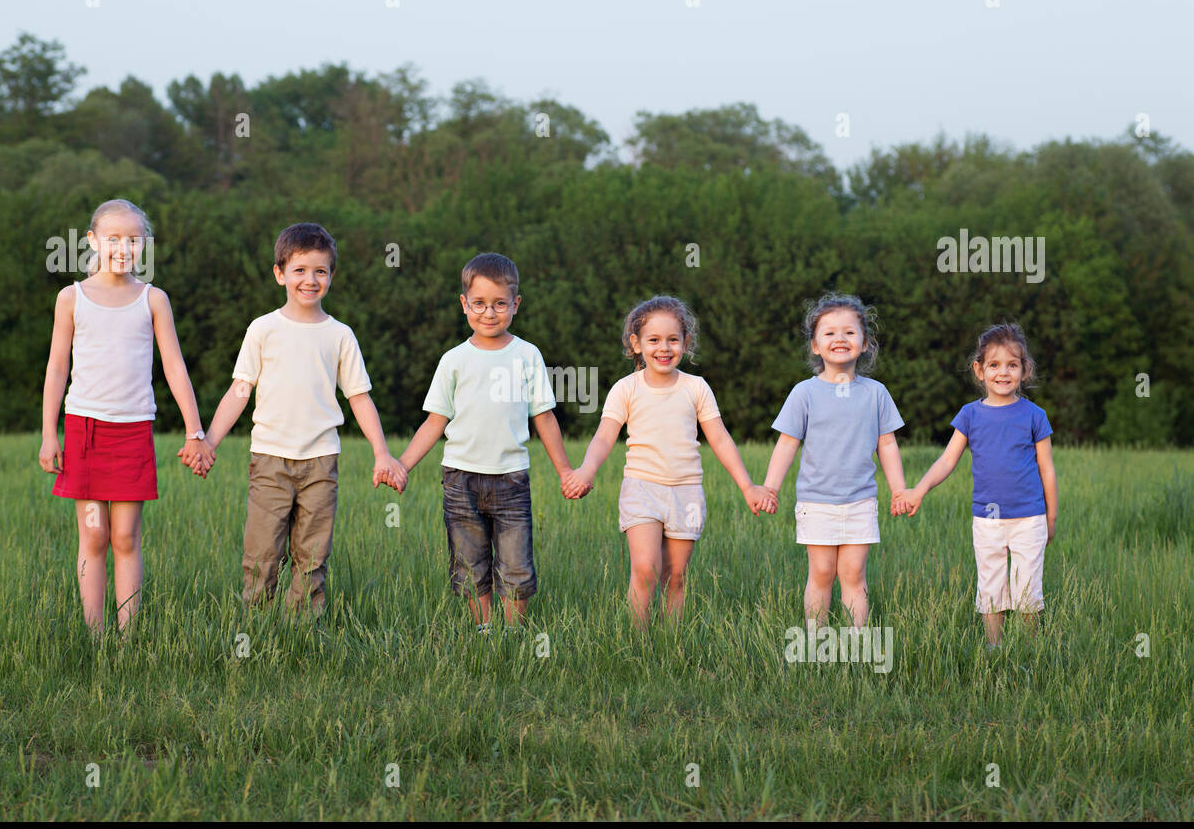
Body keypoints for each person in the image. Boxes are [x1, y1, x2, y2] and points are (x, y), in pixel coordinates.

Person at [193, 222, 406, 614]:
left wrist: (382, 454)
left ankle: (304, 632)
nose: (310, 280)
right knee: (262, 552)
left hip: (321, 462)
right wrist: (209, 443)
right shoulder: (263, 329)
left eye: (320, 271)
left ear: (332, 276)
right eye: (300, 270)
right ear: (280, 274)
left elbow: (359, 398)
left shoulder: (340, 335)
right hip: (270, 460)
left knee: (312, 555)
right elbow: (240, 391)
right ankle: (256, 626)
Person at [40, 198, 213, 632]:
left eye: (133, 239)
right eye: (113, 238)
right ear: (92, 242)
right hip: (85, 433)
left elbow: (174, 367)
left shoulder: (153, 299)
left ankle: (128, 638)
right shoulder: (71, 298)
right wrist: (49, 433)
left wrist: (195, 431)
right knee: (94, 536)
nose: (123, 247)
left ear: (144, 245)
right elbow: (57, 366)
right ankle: (95, 638)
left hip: (133, 433)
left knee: (125, 537)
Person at [386, 253, 573, 633]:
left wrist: (565, 470)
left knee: (515, 563)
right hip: (460, 478)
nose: (489, 313)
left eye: (500, 304)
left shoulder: (527, 356)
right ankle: (484, 630)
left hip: (510, 478)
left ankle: (513, 632)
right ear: (464, 304)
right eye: (480, 304)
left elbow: (544, 417)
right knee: (470, 563)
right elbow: (435, 421)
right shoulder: (454, 360)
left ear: (515, 305)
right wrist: (402, 464)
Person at [564, 296, 766, 630]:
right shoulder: (626, 389)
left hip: (686, 493)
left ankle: (671, 646)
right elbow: (604, 436)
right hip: (641, 488)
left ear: (686, 343)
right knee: (645, 569)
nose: (664, 348)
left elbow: (719, 437)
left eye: (673, 339)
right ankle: (637, 647)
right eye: (654, 340)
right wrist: (586, 470)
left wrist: (747, 486)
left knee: (675, 577)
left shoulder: (696, 388)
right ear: (636, 344)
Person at [893, 323, 1057, 647]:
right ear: (979, 370)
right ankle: (994, 649)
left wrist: (1050, 518)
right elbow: (946, 460)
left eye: (1013, 365)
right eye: (994, 365)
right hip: (987, 519)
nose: (1003, 372)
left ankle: (1028, 650)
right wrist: (919, 489)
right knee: (991, 586)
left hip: (1030, 518)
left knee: (1027, 591)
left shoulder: (1035, 416)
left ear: (1025, 370)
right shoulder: (970, 415)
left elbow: (1047, 469)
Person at [759, 293, 906, 631]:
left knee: (853, 573)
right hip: (816, 501)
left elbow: (887, 444)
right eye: (829, 333)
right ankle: (816, 638)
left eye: (850, 333)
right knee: (822, 572)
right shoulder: (804, 393)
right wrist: (770, 487)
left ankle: (858, 640)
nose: (840, 338)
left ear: (865, 343)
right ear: (815, 346)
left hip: (860, 501)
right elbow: (787, 444)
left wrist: (899, 490)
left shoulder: (876, 393)